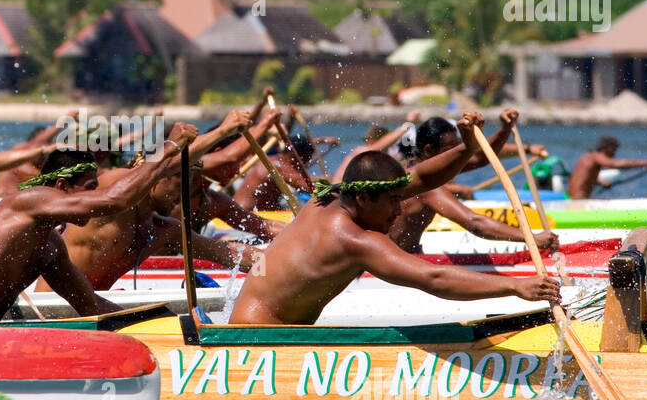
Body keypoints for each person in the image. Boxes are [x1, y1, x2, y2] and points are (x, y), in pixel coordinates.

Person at [229, 112, 561, 326]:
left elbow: (422, 179)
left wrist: (466, 147)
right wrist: (516, 285)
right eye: (392, 202)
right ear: (362, 198)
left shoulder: (326, 196)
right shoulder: (354, 239)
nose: (399, 210)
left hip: (267, 330)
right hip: (257, 339)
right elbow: (434, 278)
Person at [0, 122, 200, 322]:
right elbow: (115, 200)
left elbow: (90, 306)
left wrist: (159, 322)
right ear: (61, 186)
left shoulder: (52, 247)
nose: (95, 198)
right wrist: (168, 149)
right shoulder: (29, 201)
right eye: (90, 187)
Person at [55, 111, 263, 289]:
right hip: (51, 311)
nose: (181, 198)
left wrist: (277, 263)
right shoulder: (115, 186)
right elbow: (163, 165)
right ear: (159, 178)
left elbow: (227, 252)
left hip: (93, 312)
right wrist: (223, 130)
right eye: (178, 186)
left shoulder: (162, 230)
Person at [388, 112, 560, 254]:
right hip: (393, 268)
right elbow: (475, 223)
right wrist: (532, 238)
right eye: (452, 151)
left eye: (459, 149)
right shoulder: (429, 187)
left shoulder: (412, 167)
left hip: (404, 256)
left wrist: (505, 129)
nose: (459, 157)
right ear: (428, 150)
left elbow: (480, 158)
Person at [569, 135, 647, 199]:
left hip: (576, 199)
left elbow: (583, 178)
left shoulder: (588, 157)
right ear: (607, 148)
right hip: (578, 202)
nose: (615, 153)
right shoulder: (597, 156)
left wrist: (600, 183)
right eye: (614, 149)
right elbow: (617, 164)